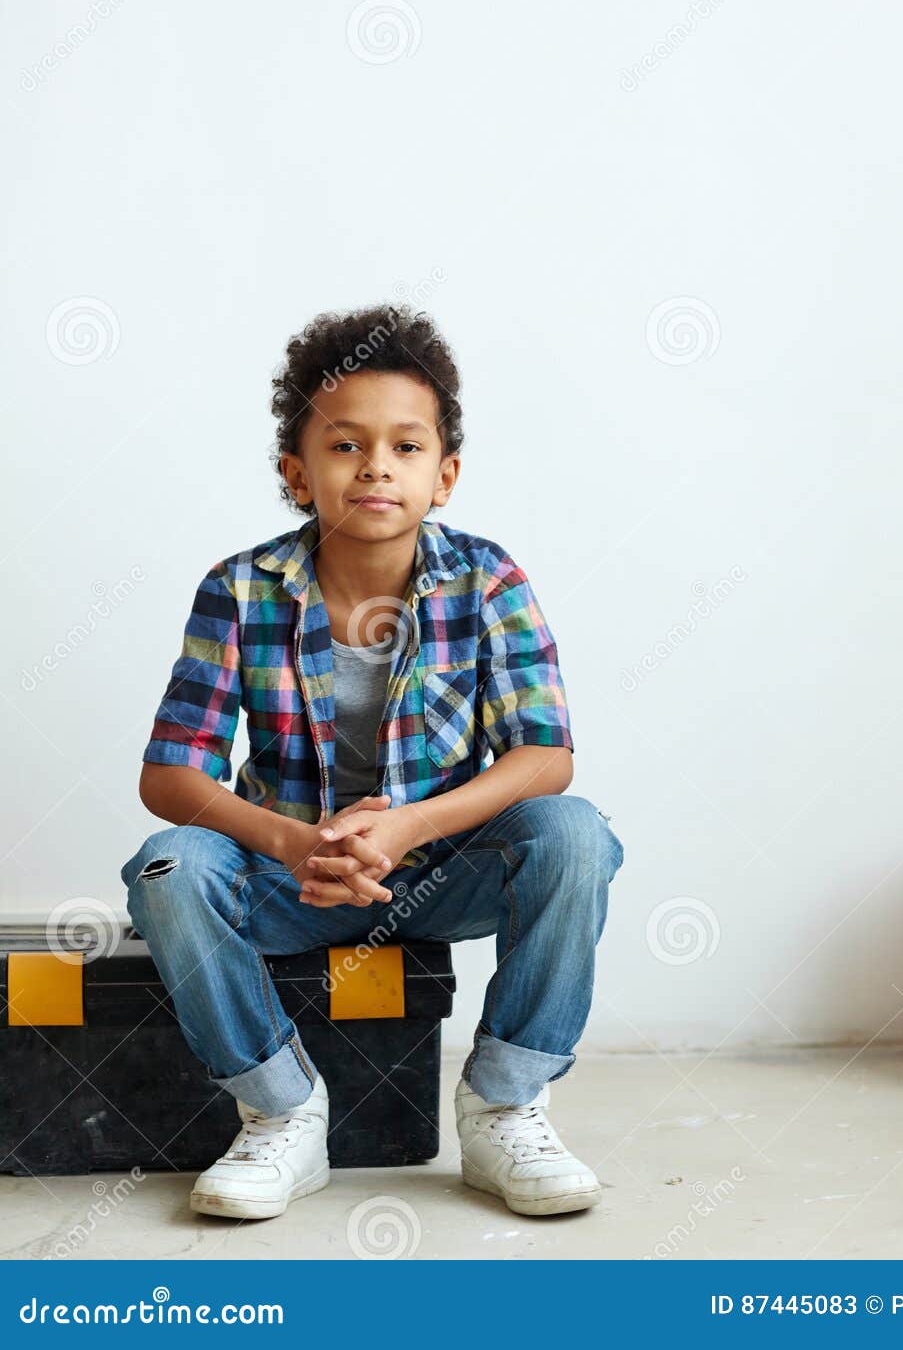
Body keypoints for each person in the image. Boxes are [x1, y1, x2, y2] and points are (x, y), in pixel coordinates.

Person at [121, 302, 624, 1221]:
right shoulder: (238, 588)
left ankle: (504, 1103)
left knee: (574, 834)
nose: (376, 468)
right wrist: (288, 841)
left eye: (405, 447)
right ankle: (280, 1111)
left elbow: (544, 757)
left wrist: (407, 827)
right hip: (292, 880)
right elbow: (171, 775)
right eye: (346, 446)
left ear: (446, 474)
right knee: (166, 866)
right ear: (297, 472)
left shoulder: (488, 580)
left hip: (435, 874)